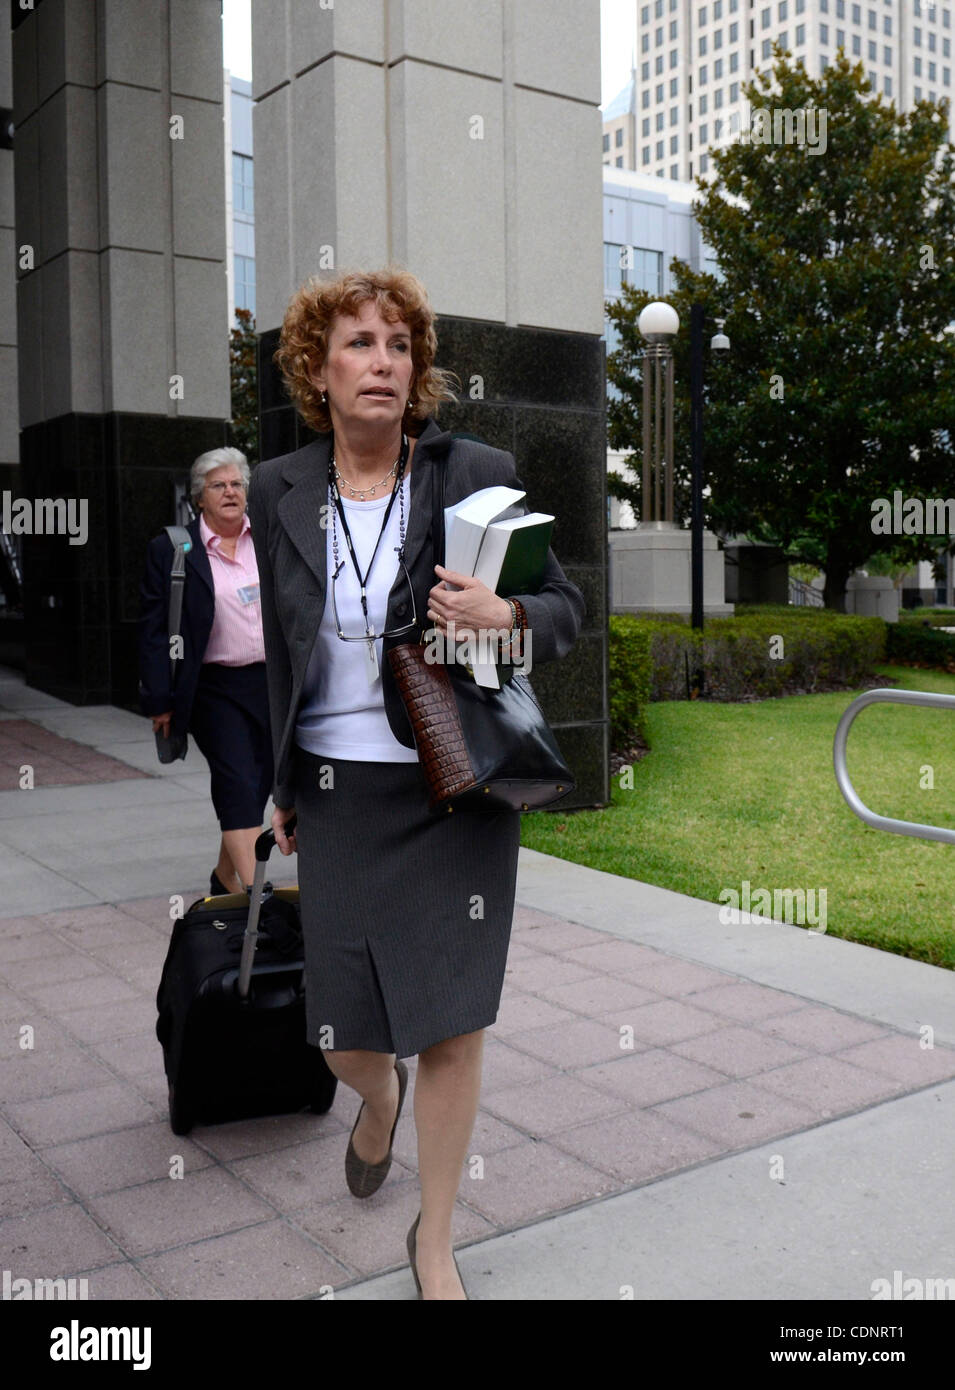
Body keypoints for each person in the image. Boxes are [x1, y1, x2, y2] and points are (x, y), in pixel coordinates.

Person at [247, 266, 585, 1300]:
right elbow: (278, 648)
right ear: (316, 367)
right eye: (358, 343)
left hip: (454, 789)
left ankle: (433, 1239)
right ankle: (373, 1099)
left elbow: (566, 608)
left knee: (450, 1023)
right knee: (343, 1030)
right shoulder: (277, 490)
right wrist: (281, 785)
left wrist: (508, 615)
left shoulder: (472, 471)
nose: (381, 362)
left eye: (398, 346)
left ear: (417, 370)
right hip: (339, 791)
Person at [138, 447, 274, 896]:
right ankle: (257, 901)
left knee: (261, 784)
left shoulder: (269, 539)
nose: (230, 492)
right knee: (236, 779)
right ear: (200, 498)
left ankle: (223, 877)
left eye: (236, 484)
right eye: (219, 485)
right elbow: (156, 630)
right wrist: (159, 700)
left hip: (271, 682)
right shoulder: (173, 549)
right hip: (213, 688)